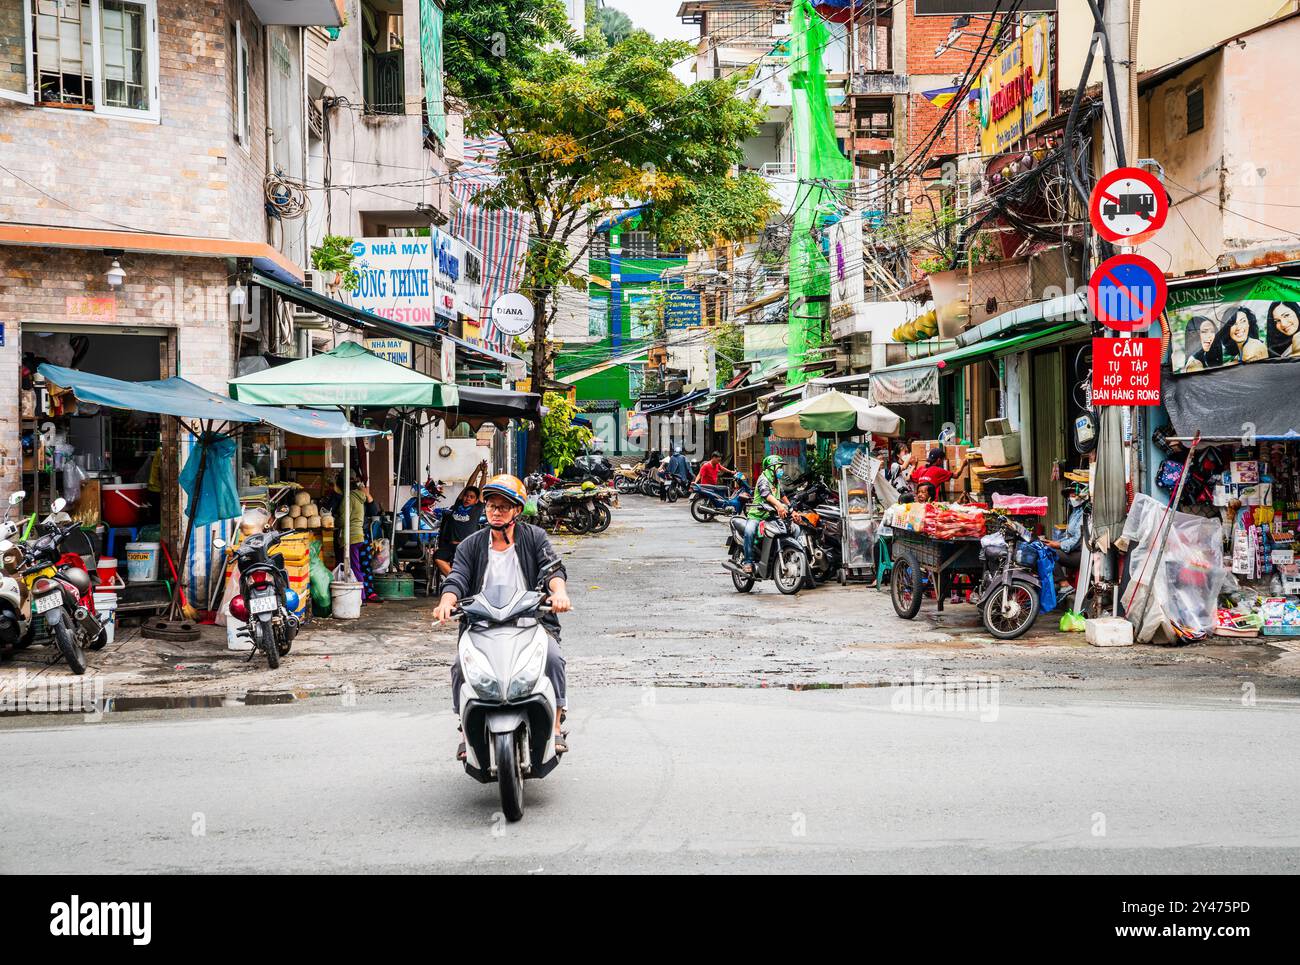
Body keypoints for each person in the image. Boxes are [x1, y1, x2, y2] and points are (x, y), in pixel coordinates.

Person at [433, 474, 572, 760]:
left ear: (517, 510)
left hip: (531, 621)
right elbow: (457, 577)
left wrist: (559, 594)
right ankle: (464, 729)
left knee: (553, 658)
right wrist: (447, 601)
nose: (496, 512)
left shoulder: (535, 537)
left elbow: (552, 570)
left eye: (504, 507)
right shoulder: (472, 544)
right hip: (481, 624)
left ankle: (556, 724)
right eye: (491, 506)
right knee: (461, 666)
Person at [741, 455, 790, 574]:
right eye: (779, 467)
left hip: (771, 515)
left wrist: (791, 508)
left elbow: (782, 495)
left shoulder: (776, 480)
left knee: (786, 530)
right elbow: (766, 495)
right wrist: (779, 506)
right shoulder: (763, 479)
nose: (781, 470)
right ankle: (748, 561)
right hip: (757, 515)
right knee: (749, 532)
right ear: (771, 468)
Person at [434, 485, 483, 578]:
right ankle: (456, 580)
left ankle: (459, 581)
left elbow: (481, 489)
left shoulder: (477, 509)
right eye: (466, 496)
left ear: (476, 501)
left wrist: (484, 473)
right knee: (438, 557)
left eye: (471, 497)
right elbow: (468, 485)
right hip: (450, 546)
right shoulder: (457, 506)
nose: (467, 498)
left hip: (465, 547)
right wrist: (477, 470)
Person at [346, 479, 379, 603]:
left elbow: (374, 511)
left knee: (362, 565)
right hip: (356, 535)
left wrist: (368, 495)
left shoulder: (361, 498)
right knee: (358, 565)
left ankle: (366, 593)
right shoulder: (350, 498)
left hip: (361, 535)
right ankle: (362, 594)